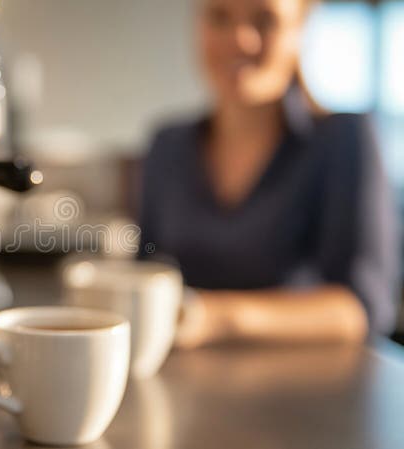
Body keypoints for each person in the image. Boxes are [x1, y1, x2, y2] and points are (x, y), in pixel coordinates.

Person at [138, 0, 400, 348]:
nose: (241, 39)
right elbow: (144, 266)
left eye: (265, 20)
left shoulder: (342, 139)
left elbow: (363, 306)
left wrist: (216, 317)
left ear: (300, 30)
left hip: (300, 379)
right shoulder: (167, 146)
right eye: (220, 17)